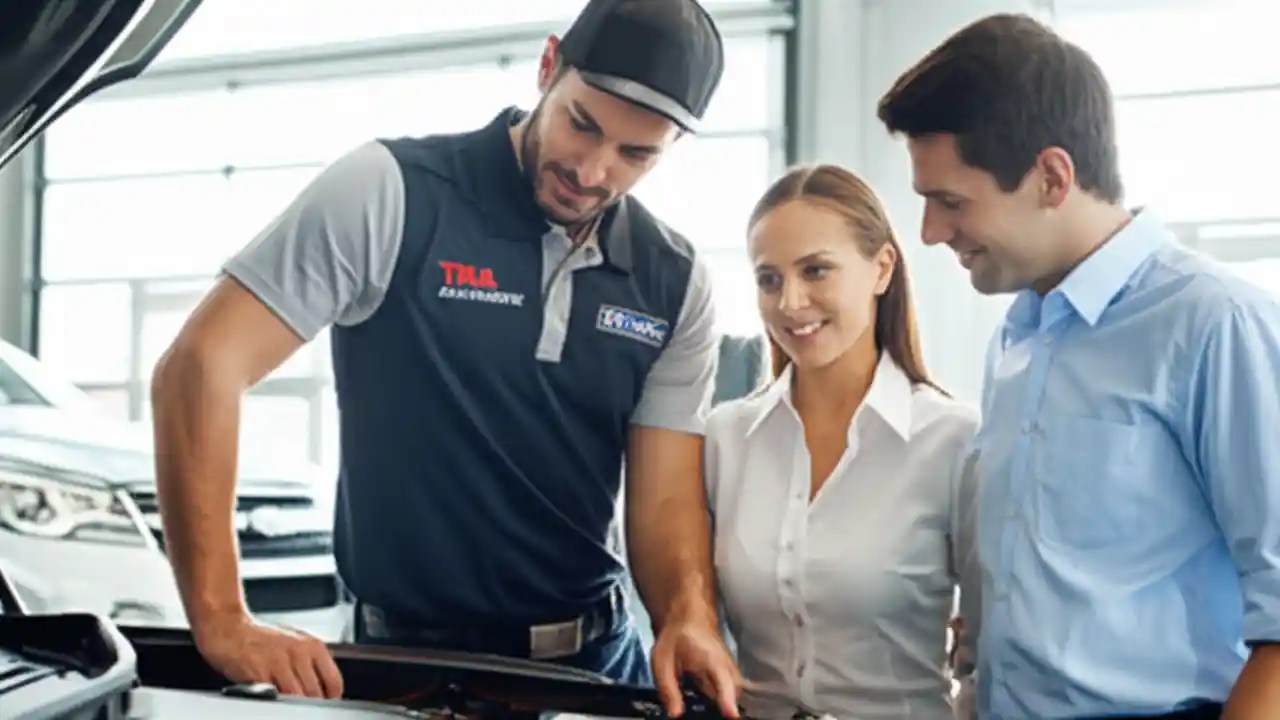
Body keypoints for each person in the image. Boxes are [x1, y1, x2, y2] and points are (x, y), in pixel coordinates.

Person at [148, 0, 744, 716]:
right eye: (581, 123)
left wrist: (689, 614)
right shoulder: (389, 191)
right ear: (548, 66)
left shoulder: (676, 281)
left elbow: (666, 497)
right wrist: (221, 618)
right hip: (404, 670)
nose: (592, 170)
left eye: (636, 154)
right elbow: (200, 367)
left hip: (590, 670)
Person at [877, 13, 1280, 720]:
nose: (931, 233)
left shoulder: (1215, 325)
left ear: (1052, 178)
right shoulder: (1017, 335)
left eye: (950, 202)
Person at [703, 163, 981, 719]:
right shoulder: (725, 438)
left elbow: (987, 650)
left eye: (816, 271)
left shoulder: (954, 440)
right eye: (769, 279)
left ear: (882, 268)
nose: (790, 302)